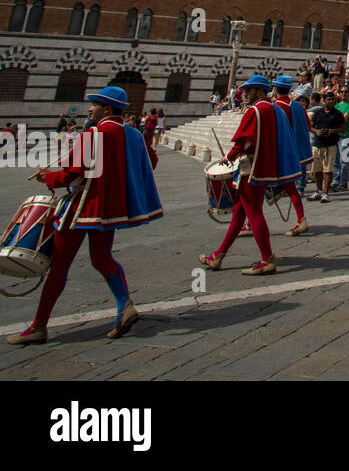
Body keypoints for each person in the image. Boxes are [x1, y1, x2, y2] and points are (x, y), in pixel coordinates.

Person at [6, 85, 162, 346]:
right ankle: (125, 305)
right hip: (109, 212)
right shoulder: (134, 135)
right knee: (102, 258)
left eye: (95, 104)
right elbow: (151, 162)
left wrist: (49, 177)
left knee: (59, 267)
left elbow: (72, 174)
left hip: (81, 209)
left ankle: (38, 326)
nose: (90, 108)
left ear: (107, 109)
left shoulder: (96, 132)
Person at [200, 75, 298, 276]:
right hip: (264, 165)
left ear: (260, 92)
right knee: (239, 213)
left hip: (251, 168)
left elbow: (245, 141)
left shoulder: (256, 110)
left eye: (250, 89)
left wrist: (229, 156)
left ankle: (267, 258)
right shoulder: (274, 109)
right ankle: (218, 255)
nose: (244, 93)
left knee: (253, 212)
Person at [269, 75, 312, 236]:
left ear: (275, 89)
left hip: (281, 154)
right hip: (296, 153)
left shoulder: (276, 107)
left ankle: (301, 220)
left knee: (255, 187)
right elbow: (307, 126)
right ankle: (301, 219)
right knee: (290, 188)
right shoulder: (298, 106)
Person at [309, 91, 346, 203]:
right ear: (324, 101)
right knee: (317, 170)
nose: (331, 101)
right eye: (328, 99)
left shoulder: (338, 114)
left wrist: (332, 131)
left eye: (332, 99)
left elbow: (342, 128)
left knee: (328, 170)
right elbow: (310, 126)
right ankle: (318, 190)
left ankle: (326, 192)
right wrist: (316, 131)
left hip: (331, 144)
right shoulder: (318, 112)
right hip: (318, 143)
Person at [334, 87, 349, 191]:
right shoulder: (337, 105)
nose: (343, 93)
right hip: (336, 134)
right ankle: (336, 180)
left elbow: (345, 118)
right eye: (341, 91)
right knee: (336, 160)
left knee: (344, 160)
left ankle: (343, 182)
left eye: (346, 91)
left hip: (345, 134)